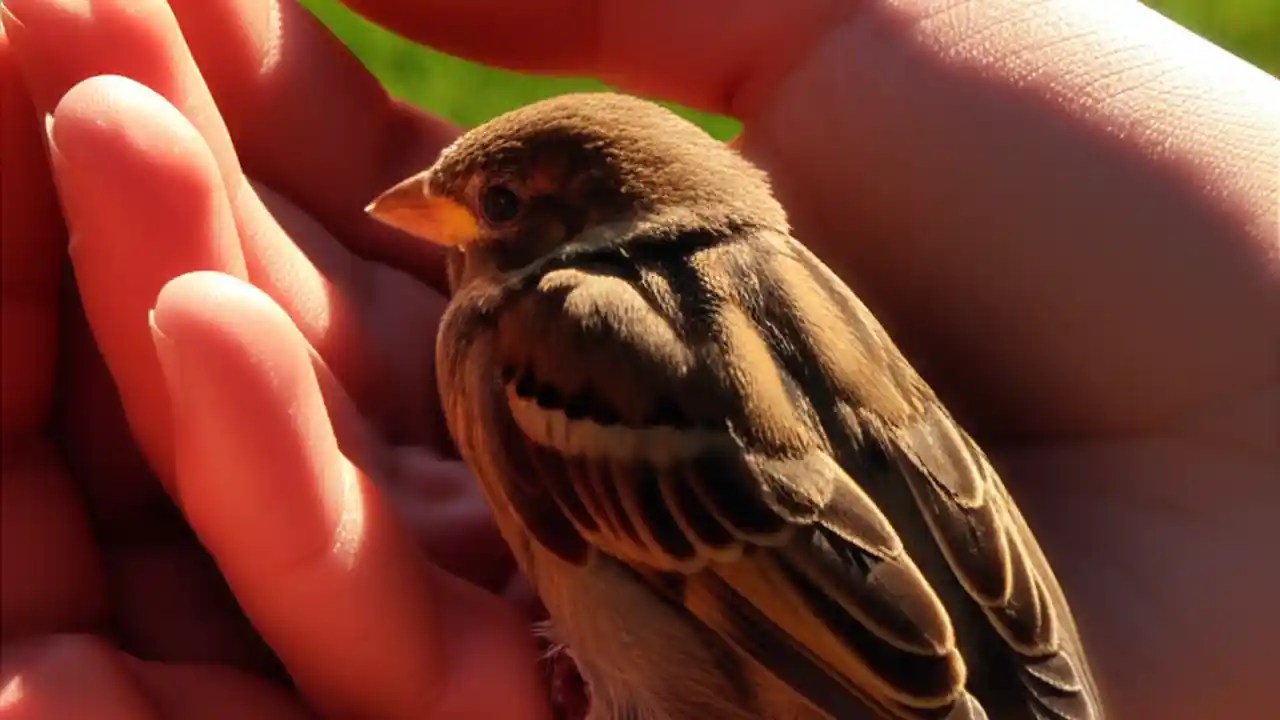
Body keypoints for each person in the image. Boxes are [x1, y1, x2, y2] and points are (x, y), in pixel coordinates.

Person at [1, 0, 1274, 717]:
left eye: (491, 204)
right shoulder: (794, 279)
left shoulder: (549, 334)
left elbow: (728, 574)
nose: (422, 213)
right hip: (998, 627)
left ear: (568, 222)